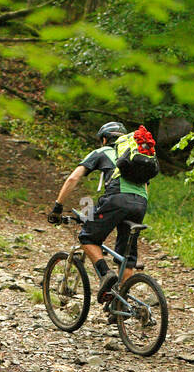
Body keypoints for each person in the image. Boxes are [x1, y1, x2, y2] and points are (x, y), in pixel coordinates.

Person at [47, 120, 149, 307]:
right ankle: (120, 304)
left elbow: (73, 178)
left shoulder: (102, 152)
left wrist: (57, 207)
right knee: (127, 256)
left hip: (117, 199)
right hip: (141, 203)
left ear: (104, 139)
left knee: (87, 237)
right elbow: (145, 187)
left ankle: (105, 275)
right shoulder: (135, 155)